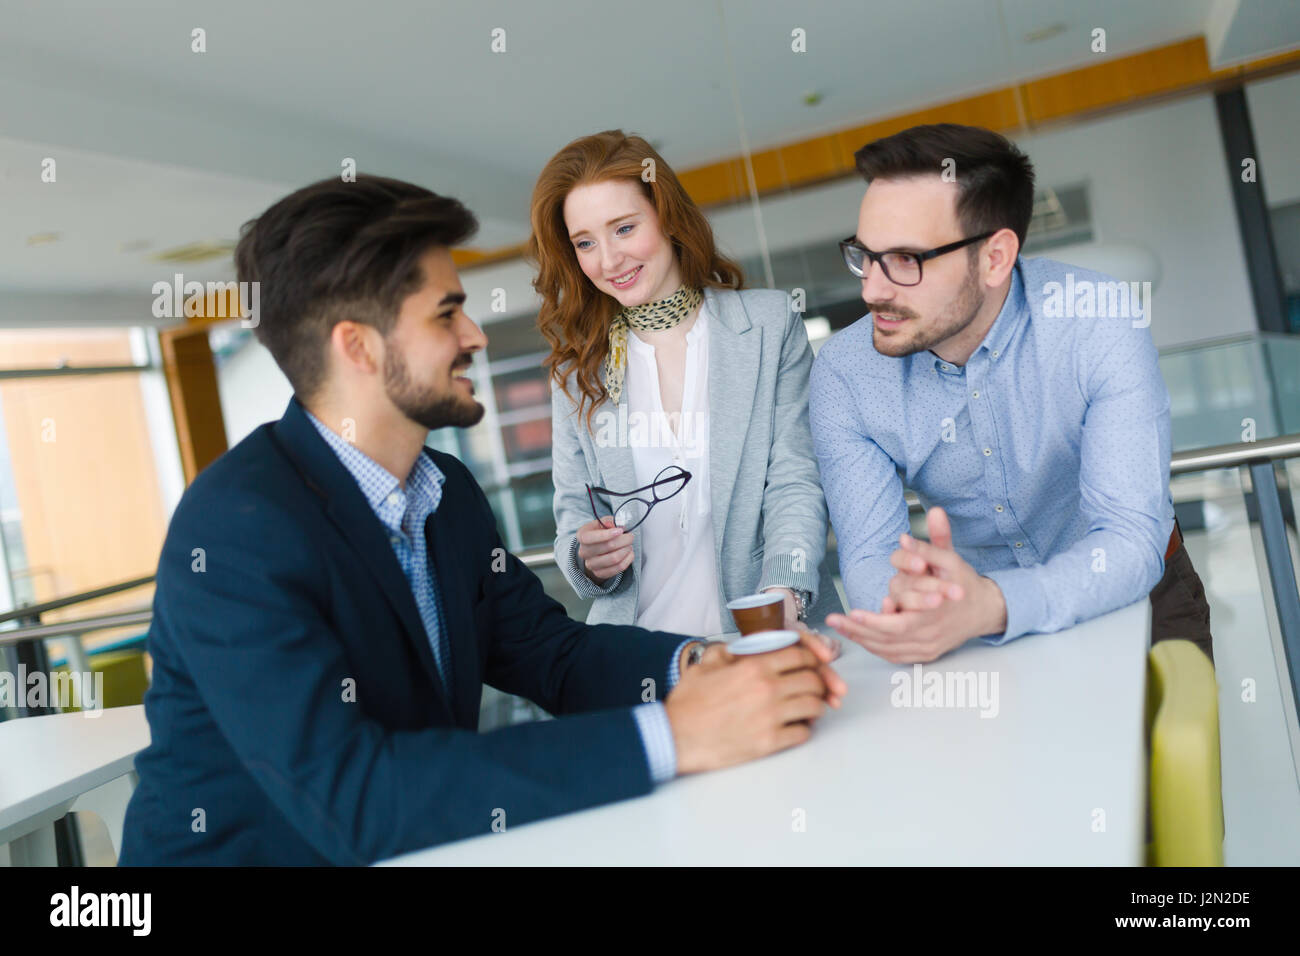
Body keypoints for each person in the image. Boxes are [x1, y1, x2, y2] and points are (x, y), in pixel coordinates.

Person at [119, 174, 845, 866]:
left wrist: (694, 664)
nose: (477, 335)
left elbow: (549, 654)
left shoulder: (447, 492)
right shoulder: (236, 529)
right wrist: (674, 735)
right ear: (358, 346)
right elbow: (354, 797)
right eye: (446, 313)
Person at [809, 123, 1213, 665]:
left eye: (907, 260)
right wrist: (915, 602)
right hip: (971, 630)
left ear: (995, 258)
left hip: (1138, 597)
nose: (871, 289)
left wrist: (996, 604)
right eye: (865, 254)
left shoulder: (1097, 320)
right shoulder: (844, 371)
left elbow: (1128, 540)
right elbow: (867, 557)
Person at [532, 130, 842, 637]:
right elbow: (572, 520)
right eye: (585, 243)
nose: (608, 260)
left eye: (624, 228)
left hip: (765, 630)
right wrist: (588, 560)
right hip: (638, 652)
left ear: (668, 218)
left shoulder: (767, 325)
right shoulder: (576, 374)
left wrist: (781, 600)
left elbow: (794, 478)